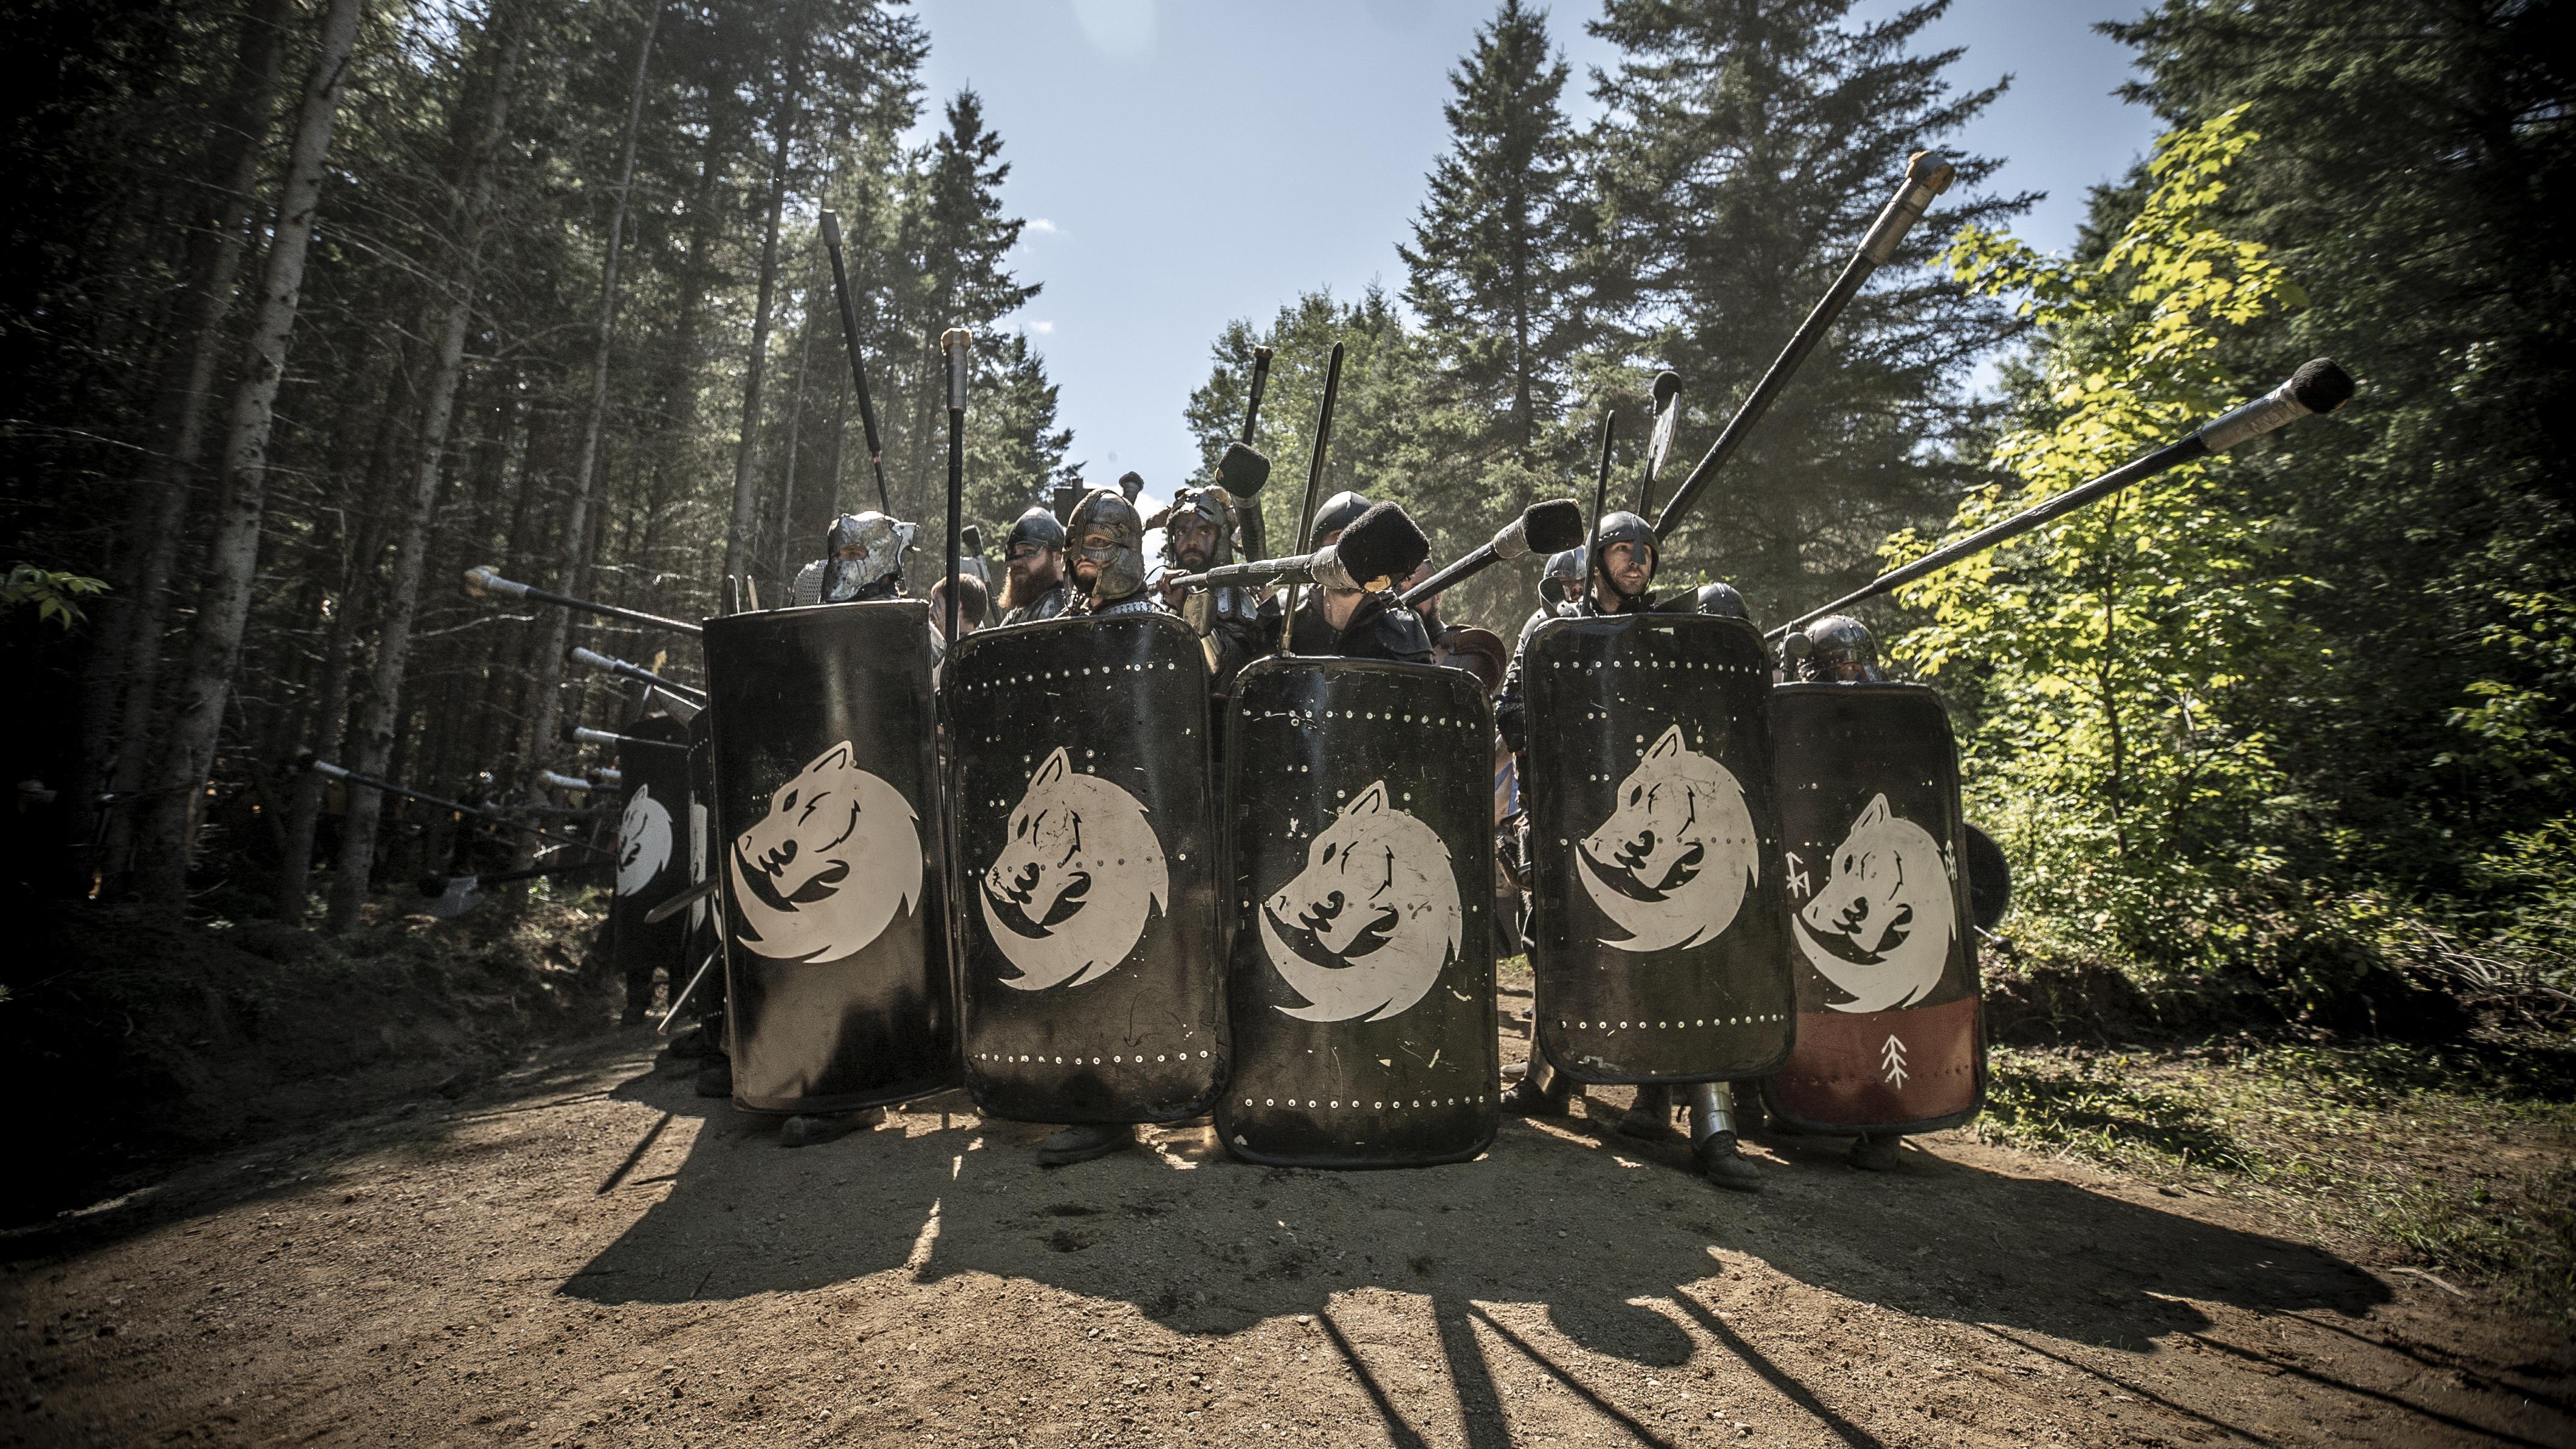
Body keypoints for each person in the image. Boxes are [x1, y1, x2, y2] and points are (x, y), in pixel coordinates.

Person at [1494, 510, 1761, 1191]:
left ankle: (1708, 1122)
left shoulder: (1666, 631)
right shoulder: (1551, 630)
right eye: (1622, 548)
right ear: (1601, 558)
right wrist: (1570, 735)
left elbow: (1682, 721)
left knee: (1681, 954)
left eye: (1646, 550)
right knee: (1562, 946)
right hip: (1571, 815)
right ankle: (1548, 1079)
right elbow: (1512, 710)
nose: (1636, 559)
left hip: (1652, 832)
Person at [789, 511, 914, 606]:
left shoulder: (907, 619)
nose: (842, 565)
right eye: (837, 556)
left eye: (853, 554)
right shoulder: (815, 578)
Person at [997, 506, 1071, 625]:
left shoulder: (1062, 611)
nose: (1016, 562)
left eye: (1028, 552)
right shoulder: (1016, 614)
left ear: (1057, 558)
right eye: (1014, 553)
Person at [928, 573, 989, 643]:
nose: (930, 609)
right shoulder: (981, 644)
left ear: (956, 607)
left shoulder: (964, 650)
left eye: (935, 603)